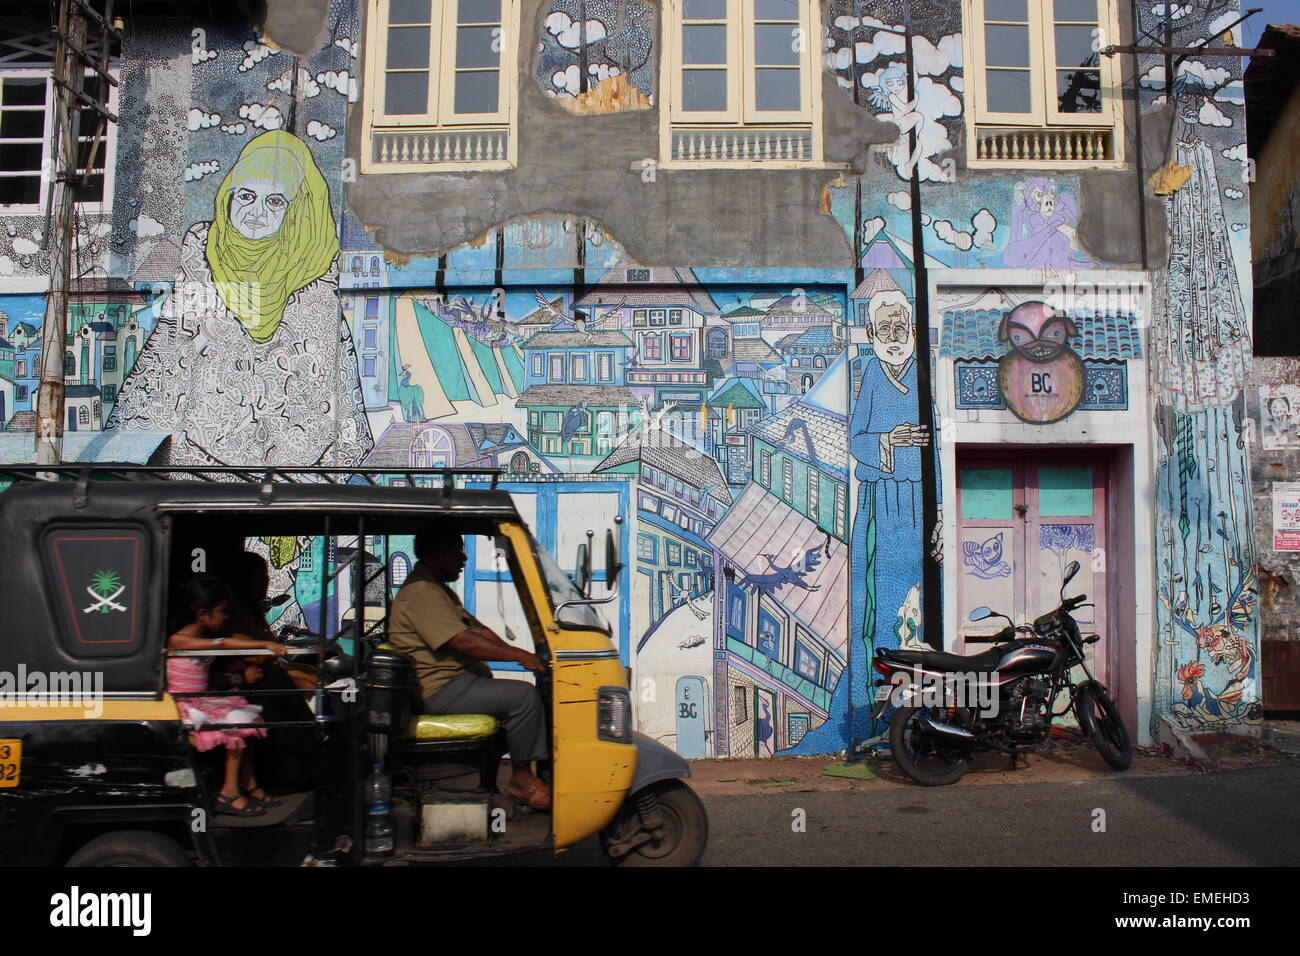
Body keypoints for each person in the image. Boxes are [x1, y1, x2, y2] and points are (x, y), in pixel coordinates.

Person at [107, 129, 372, 466]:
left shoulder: (315, 286)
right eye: (246, 196)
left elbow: (340, 401)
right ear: (228, 198)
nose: (256, 211)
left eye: (275, 201)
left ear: (298, 209)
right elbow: (162, 370)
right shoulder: (199, 268)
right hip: (199, 483)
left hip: (296, 489)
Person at [386, 530, 552, 810]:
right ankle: (521, 781)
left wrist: (525, 656)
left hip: (456, 684)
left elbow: (478, 632)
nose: (463, 559)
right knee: (523, 699)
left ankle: (487, 787)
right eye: (456, 552)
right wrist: (519, 656)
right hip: (439, 691)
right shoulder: (422, 592)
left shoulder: (437, 590)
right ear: (435, 554)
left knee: (516, 701)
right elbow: (461, 640)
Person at [166, 575, 290, 817]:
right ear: (203, 614)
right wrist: (264, 645)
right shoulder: (178, 640)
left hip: (202, 699)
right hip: (184, 703)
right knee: (238, 720)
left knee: (248, 716)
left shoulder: (201, 639)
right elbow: (221, 645)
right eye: (222, 612)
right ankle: (229, 792)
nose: (226, 618)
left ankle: (249, 782)